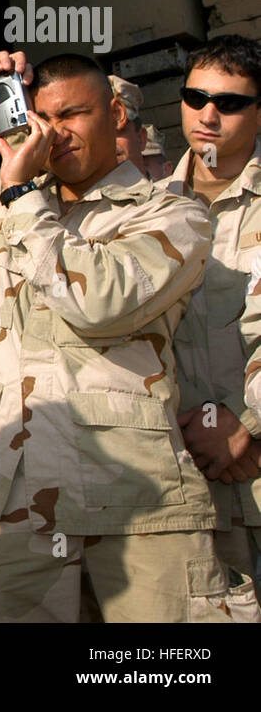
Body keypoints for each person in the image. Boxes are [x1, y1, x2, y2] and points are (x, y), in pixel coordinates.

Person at [0, 34, 251, 622]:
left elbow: (100, 302)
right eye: (39, 117)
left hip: (134, 499)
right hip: (12, 497)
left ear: (116, 114)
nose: (54, 132)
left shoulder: (171, 211)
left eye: (73, 113)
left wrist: (21, 194)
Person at [160, 36, 261, 590]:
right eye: (195, 97)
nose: (207, 115)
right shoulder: (145, 209)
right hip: (185, 478)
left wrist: (247, 426)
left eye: (229, 103)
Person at [109, 75, 150, 178]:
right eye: (100, 134)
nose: (109, 143)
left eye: (117, 132)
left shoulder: (171, 193)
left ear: (141, 138)